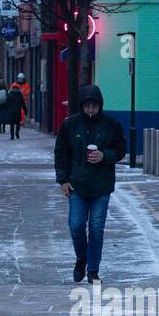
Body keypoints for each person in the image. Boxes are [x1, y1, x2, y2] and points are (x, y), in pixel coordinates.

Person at [54, 83, 127, 285]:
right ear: (82, 106)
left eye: (94, 106)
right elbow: (61, 153)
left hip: (101, 186)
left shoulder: (111, 124)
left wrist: (105, 155)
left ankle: (93, 270)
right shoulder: (71, 124)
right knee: (76, 225)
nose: (91, 110)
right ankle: (81, 258)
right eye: (87, 106)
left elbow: (121, 149)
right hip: (77, 185)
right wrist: (63, 180)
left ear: (100, 106)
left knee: (96, 228)